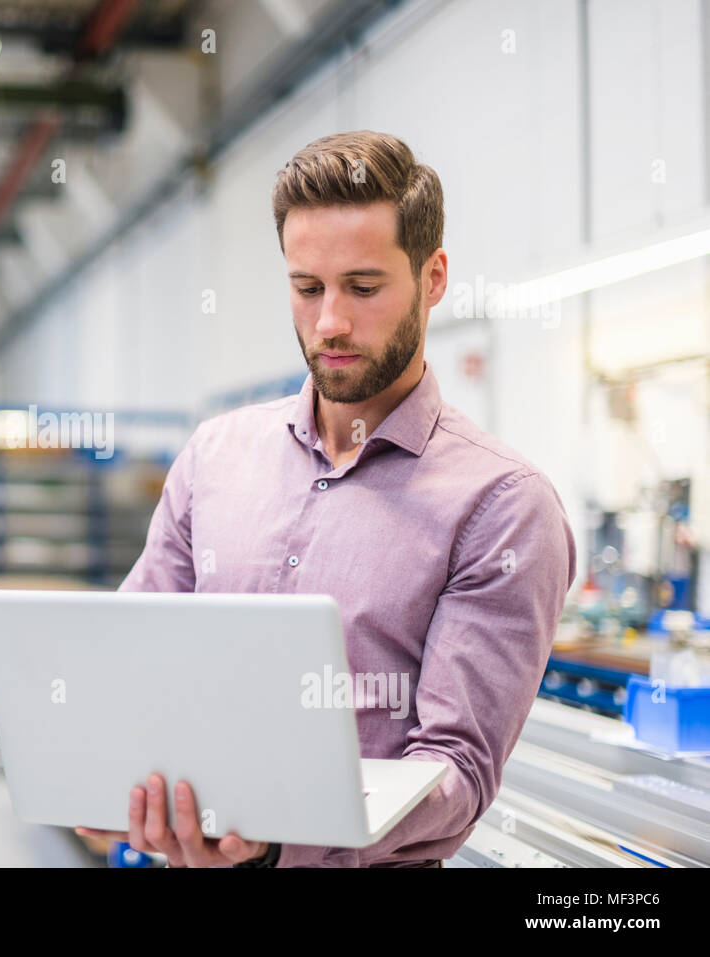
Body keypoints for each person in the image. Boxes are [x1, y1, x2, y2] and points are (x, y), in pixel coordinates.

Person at [77, 131, 576, 868]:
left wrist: (277, 840)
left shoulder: (502, 506)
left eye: (364, 287)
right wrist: (99, 783)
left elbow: (454, 771)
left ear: (434, 277)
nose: (330, 322)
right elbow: (134, 666)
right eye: (307, 288)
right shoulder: (215, 457)